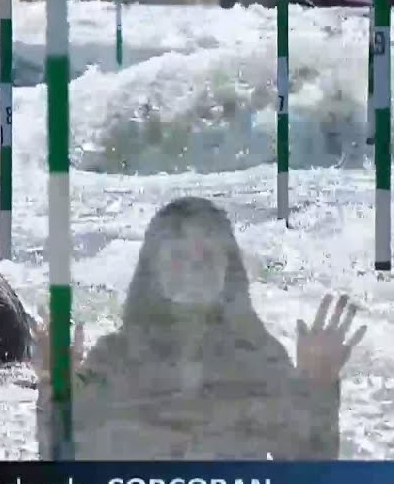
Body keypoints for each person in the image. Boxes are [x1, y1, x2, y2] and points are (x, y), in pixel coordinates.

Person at [32, 197, 366, 460]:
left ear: (228, 271)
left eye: (206, 257)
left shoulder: (258, 360)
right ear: (152, 270)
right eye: (178, 256)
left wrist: (317, 387)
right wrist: (56, 390)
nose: (193, 268)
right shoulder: (115, 359)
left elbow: (307, 480)